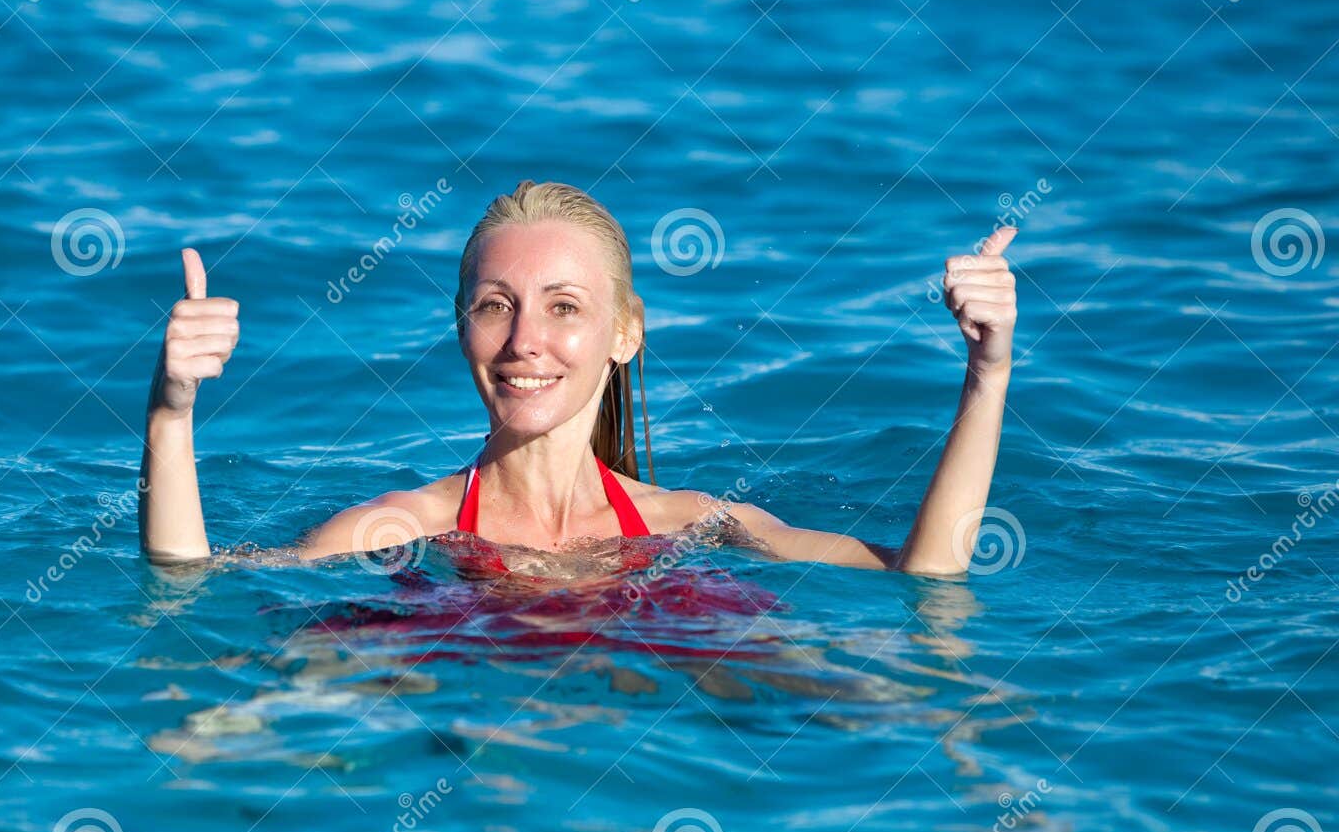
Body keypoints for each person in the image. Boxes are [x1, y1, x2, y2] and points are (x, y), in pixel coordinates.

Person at [139, 180, 1018, 575]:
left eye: (564, 306)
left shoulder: (700, 525)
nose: (525, 340)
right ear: (461, 328)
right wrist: (172, 412)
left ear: (624, 333)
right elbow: (188, 582)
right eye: (494, 305)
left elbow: (925, 577)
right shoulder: (400, 527)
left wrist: (988, 370)